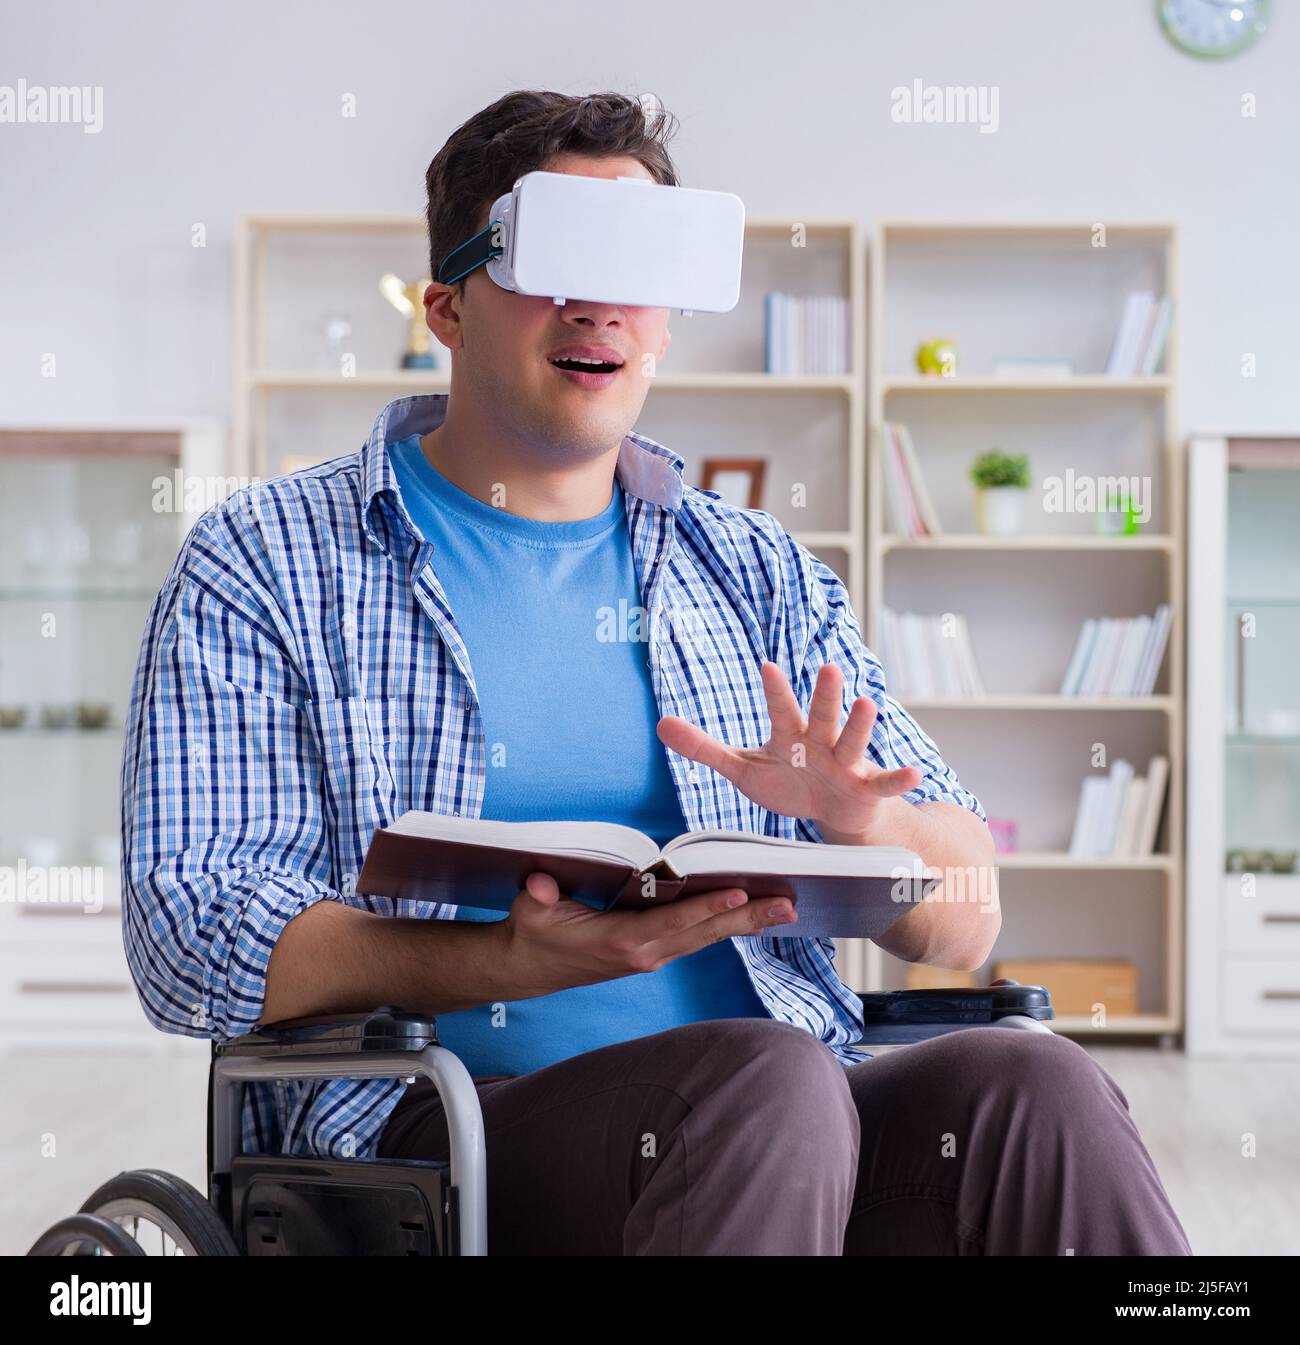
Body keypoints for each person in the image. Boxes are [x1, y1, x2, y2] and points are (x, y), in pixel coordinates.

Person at [121, 89, 1191, 1256]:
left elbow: (965, 922)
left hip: (794, 1129)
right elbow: (187, 934)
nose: (596, 306)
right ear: (447, 308)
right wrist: (492, 961)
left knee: (1035, 1090)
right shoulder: (267, 560)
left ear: (667, 321)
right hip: (440, 1149)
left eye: (633, 268)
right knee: (763, 1084)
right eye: (552, 263)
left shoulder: (753, 569)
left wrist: (864, 828)